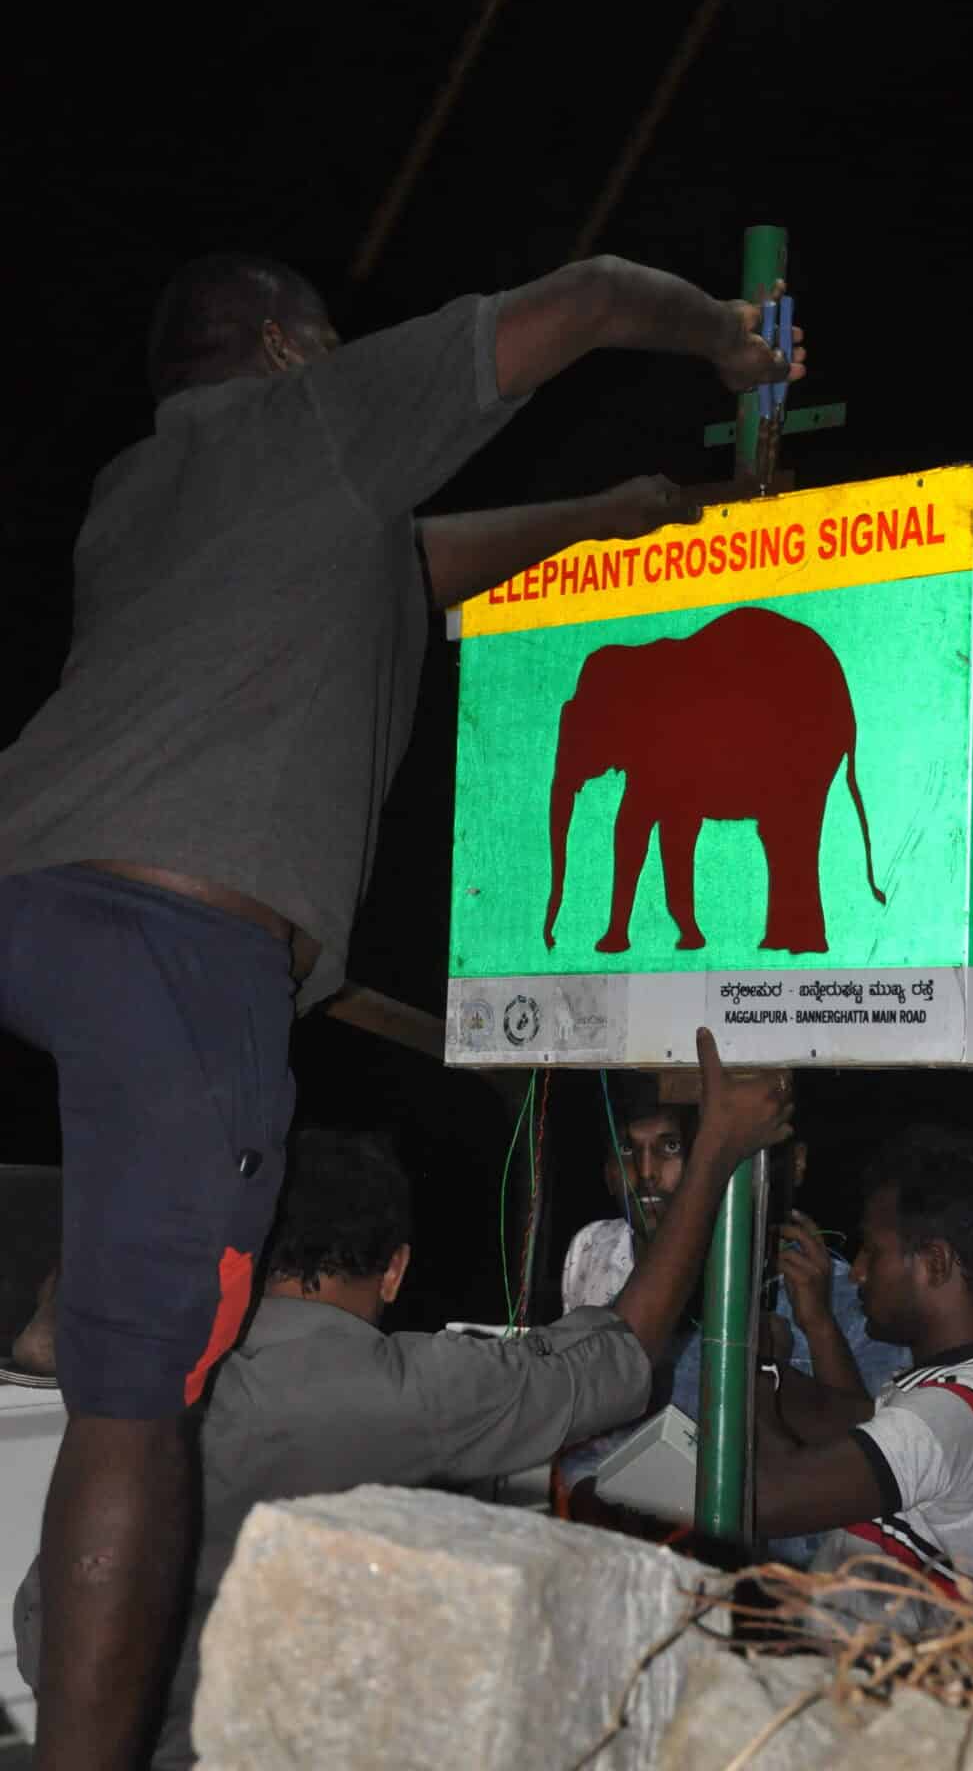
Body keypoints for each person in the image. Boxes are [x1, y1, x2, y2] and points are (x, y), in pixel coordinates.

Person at [0, 249, 805, 1771]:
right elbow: (585, 296)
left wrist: (603, 525)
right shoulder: (310, 423)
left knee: (124, 1311)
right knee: (136, 1404)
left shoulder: (140, 493)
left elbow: (402, 566)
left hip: (35, 892)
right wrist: (730, 344)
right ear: (294, 351)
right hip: (177, 941)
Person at [14, 1029, 792, 1769]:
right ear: (393, 1271)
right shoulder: (404, 1393)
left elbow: (42, 1347)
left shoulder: (159, 1356)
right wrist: (715, 1151)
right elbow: (625, 1350)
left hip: (84, 1720)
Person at [560, 1078, 900, 1563]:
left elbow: (875, 1465)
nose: (647, 1174)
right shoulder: (595, 1254)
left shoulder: (845, 1298)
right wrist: (592, 1499)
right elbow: (589, 1432)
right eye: (628, 1152)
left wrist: (808, 1338)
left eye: (672, 1148)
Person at [753, 1124, 973, 1630]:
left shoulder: (957, 1412)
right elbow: (848, 1427)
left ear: (935, 1263)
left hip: (873, 1697)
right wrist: (810, 1331)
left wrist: (757, 1365)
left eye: (873, 1250)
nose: (857, 1273)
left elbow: (768, 1499)